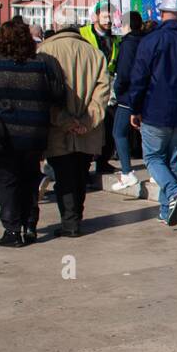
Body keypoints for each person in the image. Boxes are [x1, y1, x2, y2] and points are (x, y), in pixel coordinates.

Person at [0, 19, 66, 246]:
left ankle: (12, 231)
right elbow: (57, 95)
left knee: (7, 181)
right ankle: (30, 225)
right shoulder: (41, 64)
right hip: (35, 134)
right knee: (30, 178)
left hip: (3, 134)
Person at [125, 0, 177, 225]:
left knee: (154, 158)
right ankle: (167, 210)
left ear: (161, 13)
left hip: (155, 110)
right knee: (174, 160)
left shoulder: (151, 41)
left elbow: (139, 77)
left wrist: (134, 108)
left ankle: (173, 191)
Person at [38, 17, 111, 238]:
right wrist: (88, 121)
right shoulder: (94, 53)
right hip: (88, 130)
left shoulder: (44, 51)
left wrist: (65, 120)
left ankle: (70, 221)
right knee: (80, 172)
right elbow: (103, 91)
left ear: (58, 27)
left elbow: (42, 94)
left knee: (63, 175)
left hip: (58, 129)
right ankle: (75, 216)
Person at [79, 0, 119, 178]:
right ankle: (85, 165)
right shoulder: (83, 33)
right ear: (96, 16)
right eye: (105, 15)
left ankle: (103, 161)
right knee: (91, 124)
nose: (109, 19)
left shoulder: (116, 36)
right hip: (89, 84)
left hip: (109, 86)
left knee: (109, 124)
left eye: (111, 15)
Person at [110, 12, 148, 192]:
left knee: (119, 132)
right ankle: (156, 173)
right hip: (147, 94)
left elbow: (123, 73)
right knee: (147, 134)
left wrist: (118, 90)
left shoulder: (128, 44)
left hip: (128, 96)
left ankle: (127, 172)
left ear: (125, 25)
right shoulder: (147, 41)